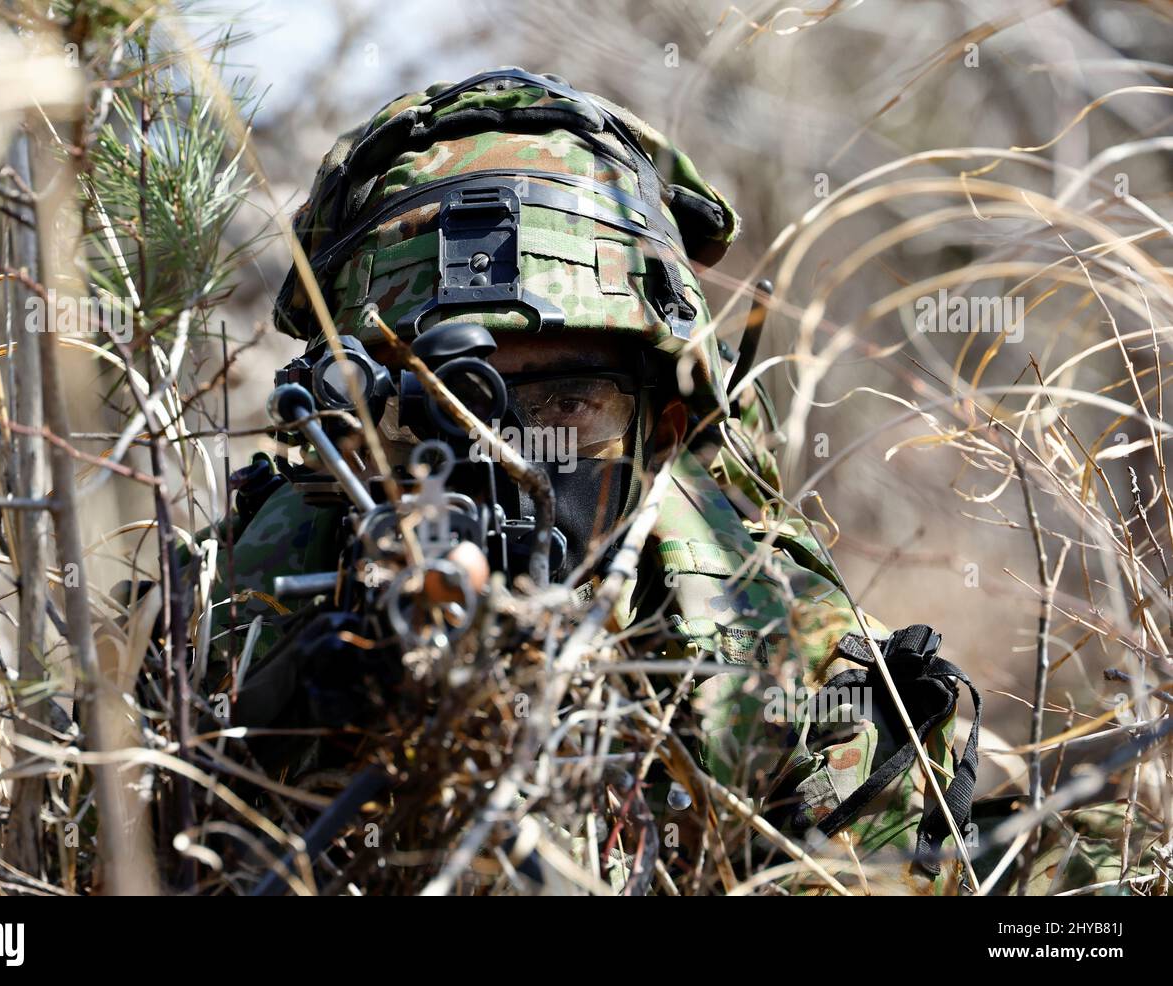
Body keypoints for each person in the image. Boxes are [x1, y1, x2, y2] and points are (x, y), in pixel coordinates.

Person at [197, 68, 1151, 894]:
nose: (509, 453)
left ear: (667, 421)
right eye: (441, 407)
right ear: (345, 431)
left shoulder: (761, 637)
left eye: (565, 396)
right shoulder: (245, 604)